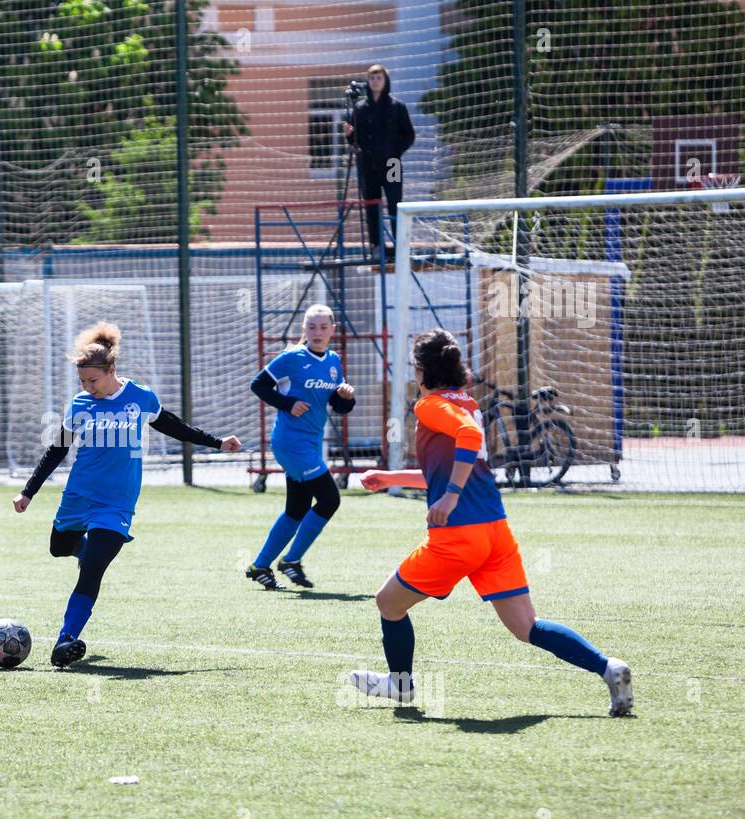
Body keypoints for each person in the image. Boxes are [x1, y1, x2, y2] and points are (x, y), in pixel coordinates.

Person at [350, 329, 633, 716]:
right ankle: (607, 667)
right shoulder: (467, 403)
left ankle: (400, 686)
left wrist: (449, 496)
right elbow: (455, 463)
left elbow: (464, 444)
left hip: (458, 536)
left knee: (388, 603)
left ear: (421, 370)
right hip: (495, 532)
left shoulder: (429, 405)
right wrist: (391, 477)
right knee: (526, 627)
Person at [14, 322, 241, 668]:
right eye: (82, 382)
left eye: (93, 381)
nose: (88, 387)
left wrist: (217, 442)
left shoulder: (140, 398)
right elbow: (57, 450)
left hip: (116, 503)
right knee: (59, 547)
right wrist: (28, 492)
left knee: (92, 569)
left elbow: (174, 426)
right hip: (78, 496)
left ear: (111, 371)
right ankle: (84, 549)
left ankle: (66, 640)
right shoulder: (79, 405)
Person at [246, 304, 356, 590]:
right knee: (330, 499)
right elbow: (258, 385)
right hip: (290, 442)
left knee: (297, 508)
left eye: (323, 327)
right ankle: (291, 560)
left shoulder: (333, 361)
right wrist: (288, 403)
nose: (317, 333)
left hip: (310, 442)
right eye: (311, 327)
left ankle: (260, 566)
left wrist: (346, 397)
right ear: (303, 330)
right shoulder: (291, 357)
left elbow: (336, 405)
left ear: (333, 329)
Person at [344, 64, 415, 260]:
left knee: (395, 203)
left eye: (379, 78)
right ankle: (377, 246)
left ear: (385, 81)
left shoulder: (397, 107)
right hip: (369, 164)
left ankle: (400, 245)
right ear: (368, 81)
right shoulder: (360, 109)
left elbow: (409, 135)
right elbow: (354, 139)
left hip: (392, 163)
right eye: (372, 78)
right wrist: (349, 136)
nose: (375, 81)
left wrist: (395, 152)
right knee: (372, 204)